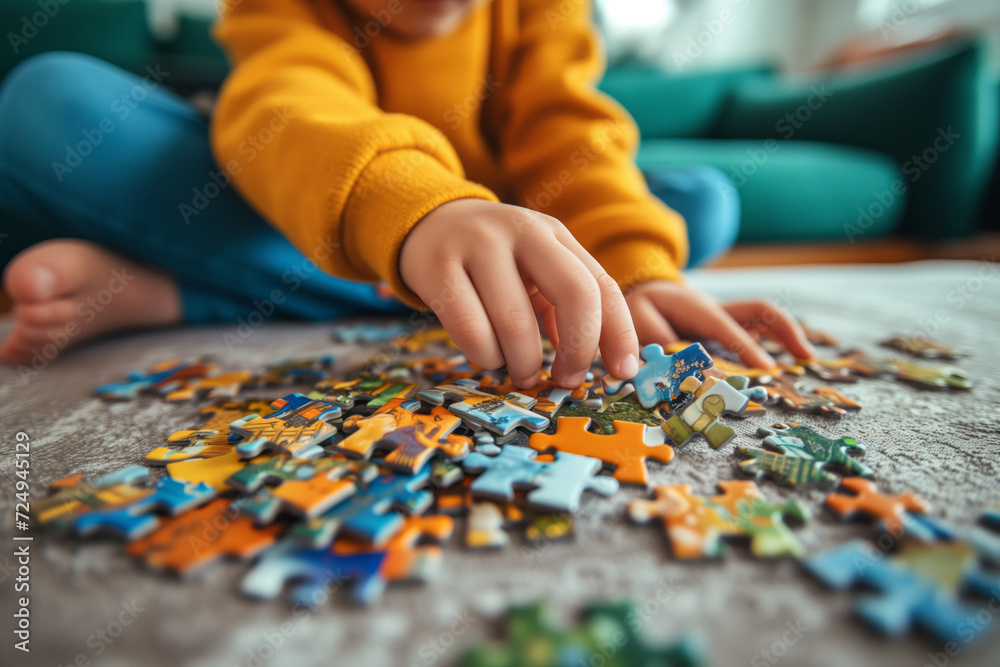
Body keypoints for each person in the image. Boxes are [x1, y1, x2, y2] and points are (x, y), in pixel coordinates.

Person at [0, 0, 813, 386]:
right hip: (306, 202)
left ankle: (185, 288)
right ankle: (469, 280)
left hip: (493, 220)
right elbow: (288, 106)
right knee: (48, 99)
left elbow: (573, 136)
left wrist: (639, 268)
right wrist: (423, 209)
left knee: (698, 204)